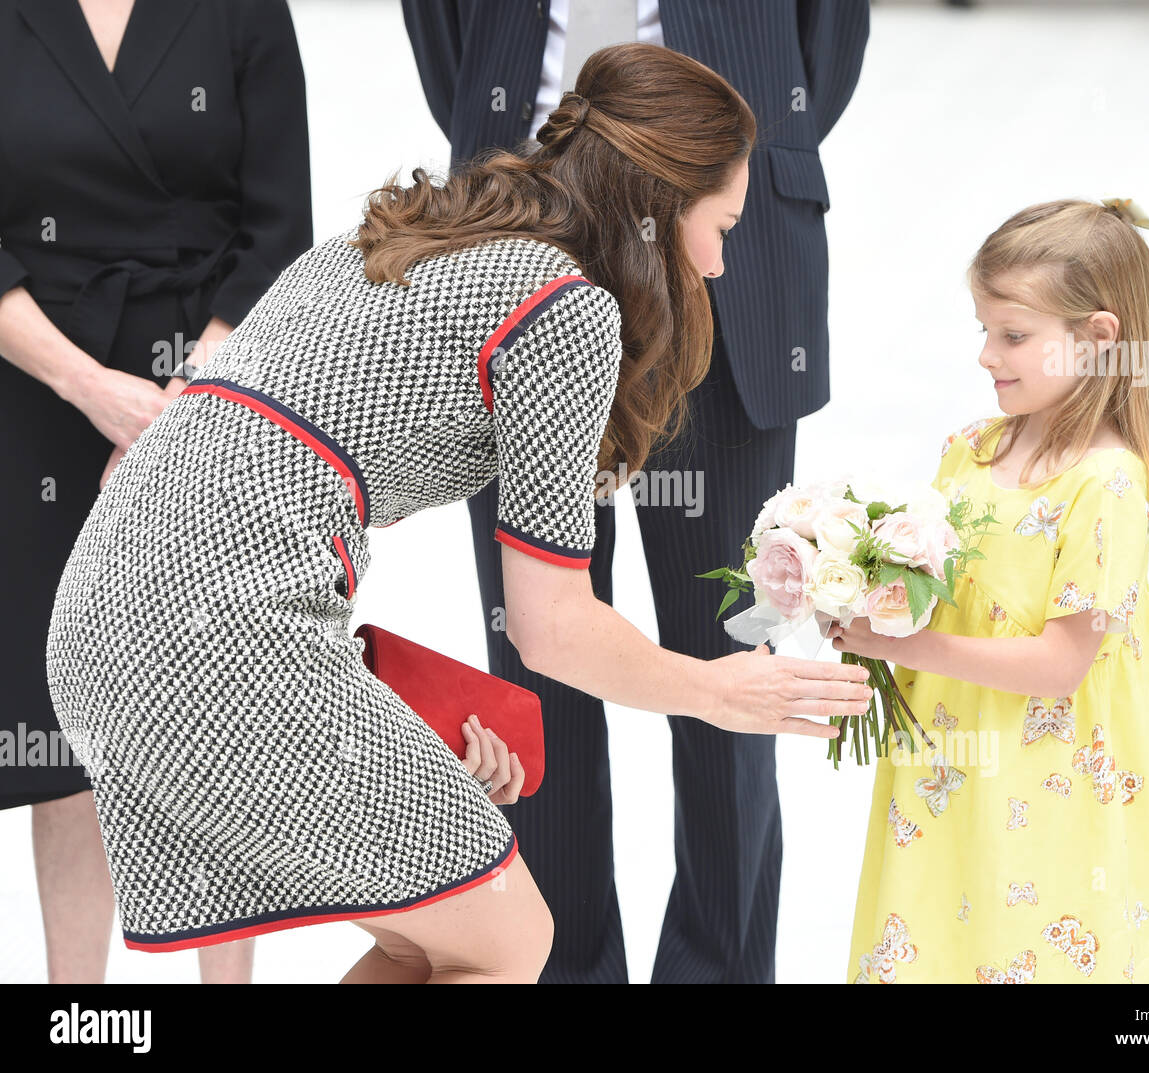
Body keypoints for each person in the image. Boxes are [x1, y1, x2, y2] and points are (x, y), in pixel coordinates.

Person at [41, 41, 873, 985]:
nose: (722, 266)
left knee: (431, 932)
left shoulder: (389, 243)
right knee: (511, 936)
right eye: (721, 225)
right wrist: (719, 691)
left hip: (93, 626)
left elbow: (248, 472)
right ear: (657, 209)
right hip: (226, 636)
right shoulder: (565, 307)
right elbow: (550, 627)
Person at [401, 0, 870, 984]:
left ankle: (718, 968)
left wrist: (722, 159)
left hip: (721, 265)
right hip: (520, 237)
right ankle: (562, 966)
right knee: (539, 660)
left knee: (728, 661)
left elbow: (824, 38)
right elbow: (446, 29)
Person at [0, 0, 311, 983]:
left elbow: (280, 228)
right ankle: (74, 1006)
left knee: (218, 718)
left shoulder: (244, 10)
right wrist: (86, 386)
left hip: (216, 394)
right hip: (34, 388)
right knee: (63, 731)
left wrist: (184, 403)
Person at [830, 200, 1149, 983]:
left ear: (1099, 338)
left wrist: (904, 642)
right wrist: (861, 605)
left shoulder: (1108, 484)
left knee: (1027, 940)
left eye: (1014, 336)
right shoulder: (971, 449)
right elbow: (934, 590)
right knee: (939, 934)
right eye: (984, 330)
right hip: (947, 763)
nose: (988, 355)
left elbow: (1061, 665)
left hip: (1048, 778)